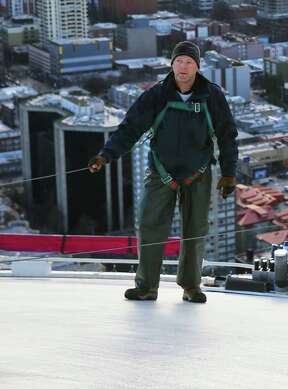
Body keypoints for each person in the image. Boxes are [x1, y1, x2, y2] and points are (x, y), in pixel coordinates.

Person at [88, 41, 238, 304]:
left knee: (195, 229)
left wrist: (228, 173)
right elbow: (130, 128)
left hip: (198, 172)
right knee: (150, 225)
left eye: (188, 62)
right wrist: (106, 155)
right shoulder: (157, 95)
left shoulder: (211, 96)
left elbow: (227, 135)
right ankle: (146, 286)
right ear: (172, 65)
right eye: (179, 61)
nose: (183, 67)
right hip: (162, 171)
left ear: (197, 67)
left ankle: (191, 286)